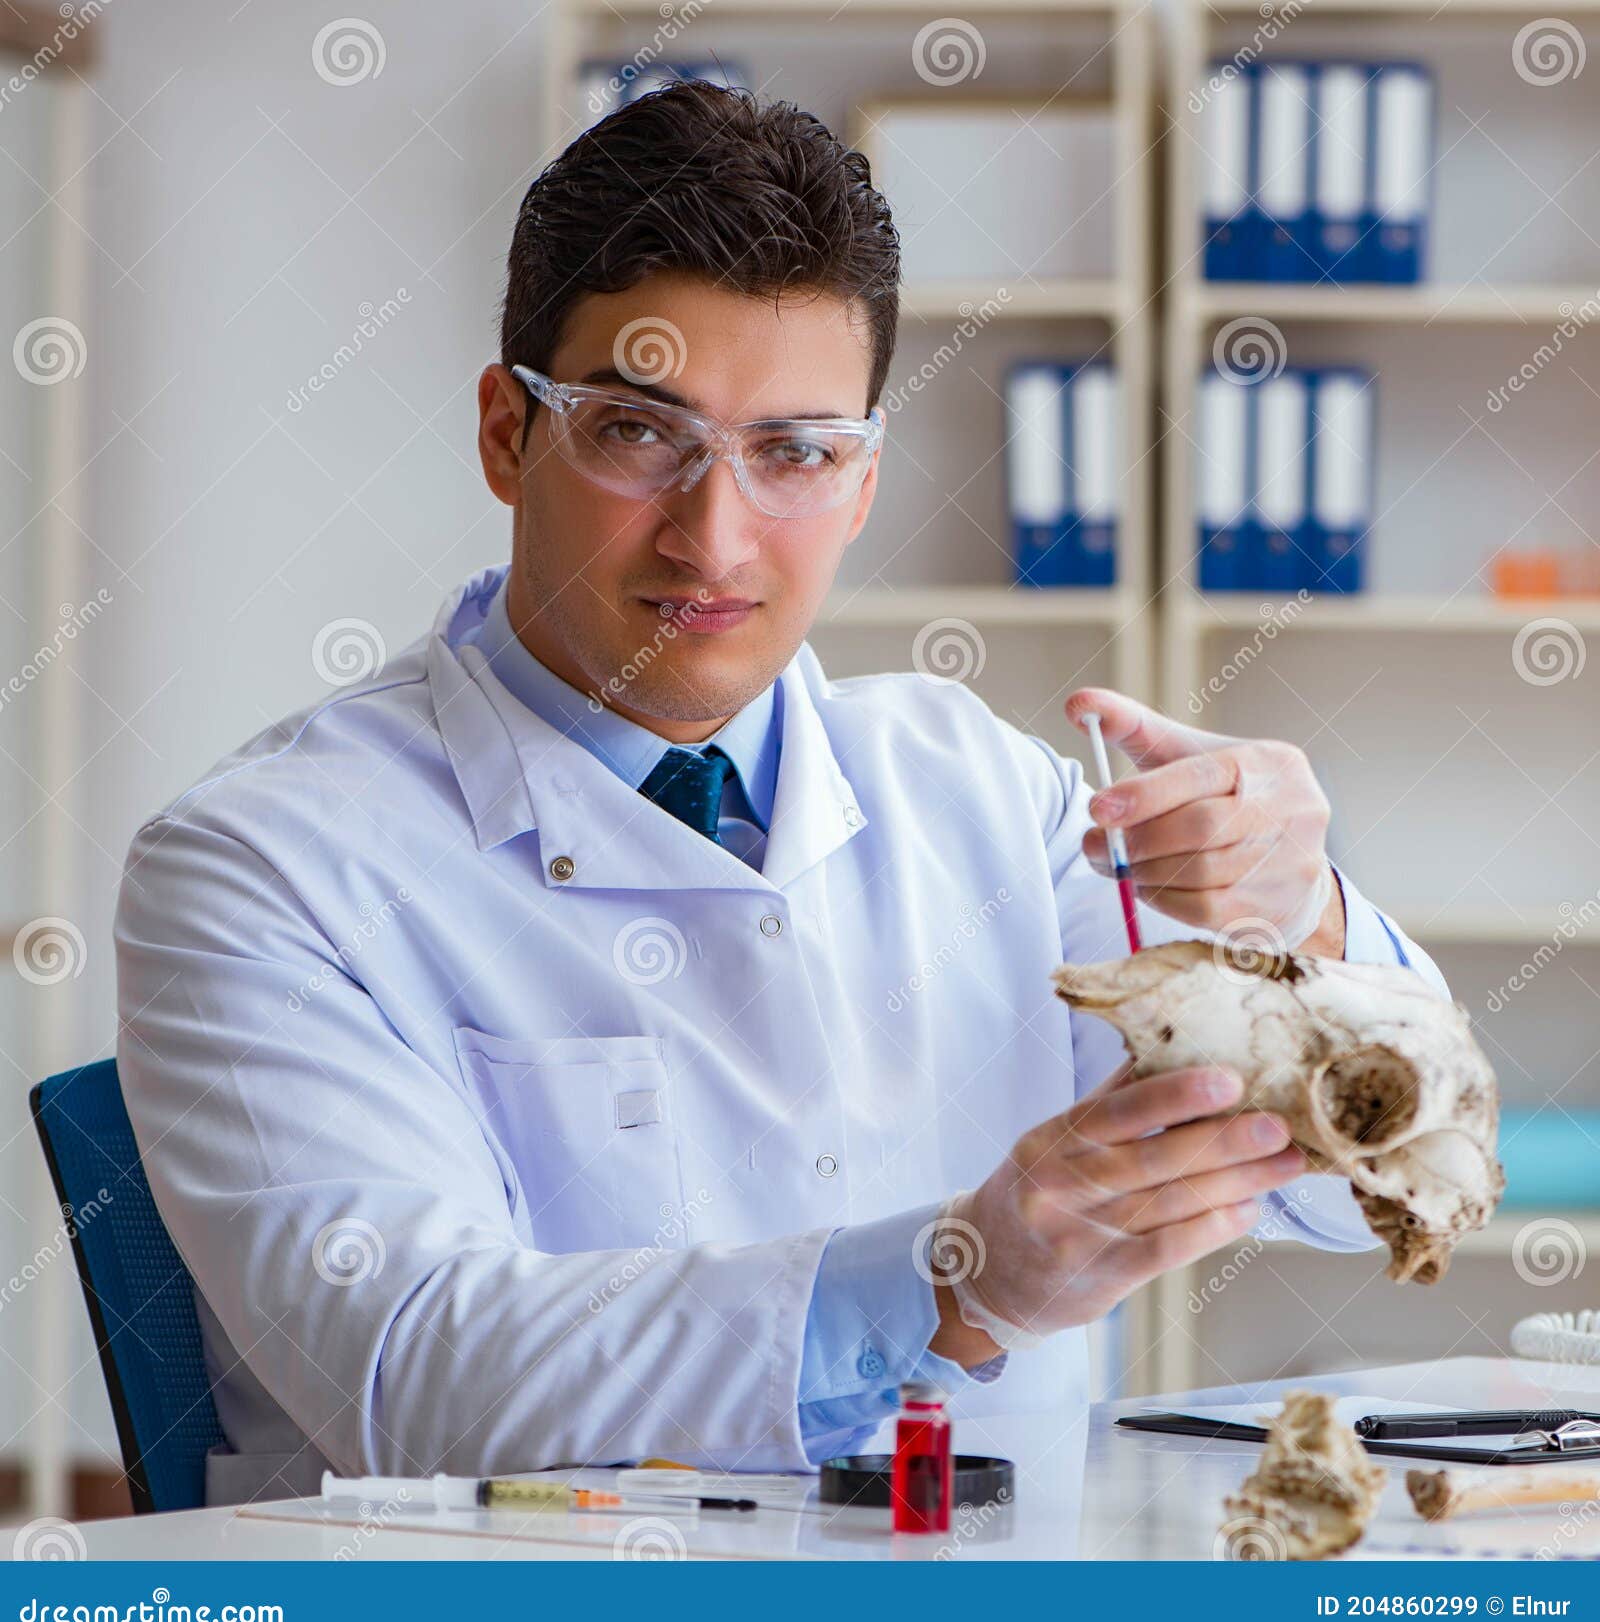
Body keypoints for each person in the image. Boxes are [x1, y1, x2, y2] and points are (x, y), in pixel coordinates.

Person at [115, 82, 1445, 1505]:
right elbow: (405, 1376)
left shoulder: (981, 789)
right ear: (509, 433)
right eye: (639, 432)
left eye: (796, 452)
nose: (717, 535)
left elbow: (1380, 1179)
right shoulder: (260, 864)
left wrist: (1301, 920)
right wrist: (949, 1281)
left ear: (862, 481)